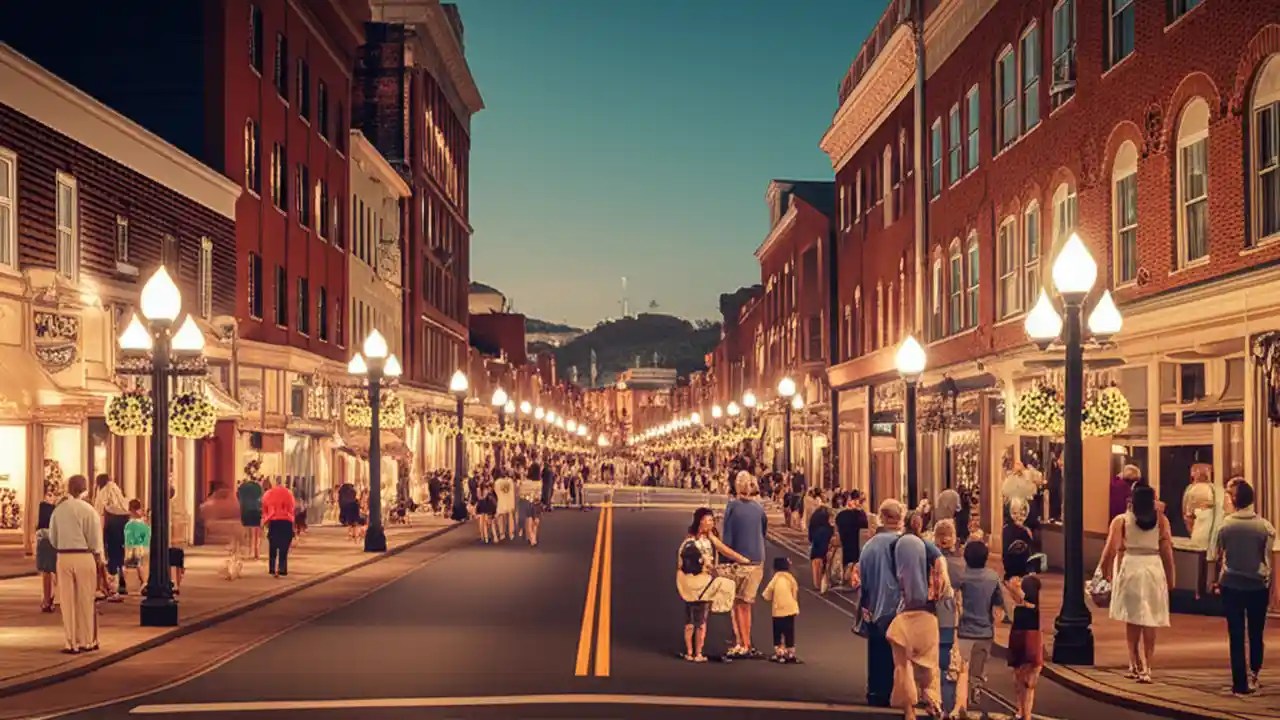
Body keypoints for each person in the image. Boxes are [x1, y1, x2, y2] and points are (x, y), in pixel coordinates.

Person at [1101, 482, 1173, 684]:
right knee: (1150, 619)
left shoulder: (1121, 521)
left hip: (1131, 566)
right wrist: (1171, 577)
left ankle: (1134, 663)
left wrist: (1104, 571)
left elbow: (1111, 549)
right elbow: (1167, 551)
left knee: (1132, 619)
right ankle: (1148, 667)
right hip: (1153, 568)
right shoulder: (1161, 520)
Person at [1214, 478, 1276, 696]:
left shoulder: (1225, 525)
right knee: (1256, 632)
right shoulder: (1264, 526)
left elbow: (1216, 555)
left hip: (1231, 584)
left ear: (1234, 499)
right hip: (1257, 585)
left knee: (1236, 633)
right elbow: (1267, 559)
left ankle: (1239, 682)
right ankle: (1255, 674)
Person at [887, 513, 943, 720]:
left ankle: (909, 711)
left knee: (903, 666)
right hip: (928, 614)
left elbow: (893, 577)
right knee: (929, 668)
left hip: (904, 615)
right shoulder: (926, 546)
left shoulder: (898, 544)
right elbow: (939, 560)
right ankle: (933, 700)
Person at [677, 507, 748, 662]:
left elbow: (681, 563)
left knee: (690, 618)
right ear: (701, 521)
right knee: (701, 618)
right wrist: (742, 561)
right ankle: (698, 653)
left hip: (688, 582)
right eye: (709, 520)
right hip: (704, 582)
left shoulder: (689, 540)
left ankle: (690, 652)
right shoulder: (707, 541)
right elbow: (723, 552)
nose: (712, 523)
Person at [855, 499, 905, 708]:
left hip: (875, 606)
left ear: (882, 518)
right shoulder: (907, 544)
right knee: (900, 654)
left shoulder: (870, 545)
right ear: (900, 519)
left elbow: (862, 577)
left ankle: (876, 691)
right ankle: (900, 691)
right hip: (902, 608)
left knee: (876, 650)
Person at [952, 539, 1007, 718]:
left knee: (961, 670)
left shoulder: (961, 577)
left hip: (964, 630)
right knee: (979, 669)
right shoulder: (992, 577)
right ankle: (976, 694)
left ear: (966, 557)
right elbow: (999, 604)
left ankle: (961, 703)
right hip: (985, 631)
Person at [48, 475, 102, 654]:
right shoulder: (88, 510)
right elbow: (95, 538)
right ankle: (87, 640)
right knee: (86, 599)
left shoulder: (59, 510)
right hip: (84, 556)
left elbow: (53, 537)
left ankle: (70, 642)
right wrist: (99, 558)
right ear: (84, 489)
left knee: (67, 601)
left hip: (63, 556)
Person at [721, 471, 767, 659]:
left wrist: (725, 560)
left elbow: (728, 536)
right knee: (747, 604)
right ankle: (746, 641)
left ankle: (742, 642)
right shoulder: (759, 508)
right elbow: (763, 531)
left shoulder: (732, 507)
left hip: (739, 559)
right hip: (757, 560)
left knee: (737, 604)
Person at [1005, 557, 1044, 720]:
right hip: (1030, 633)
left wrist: (1013, 590)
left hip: (1020, 630)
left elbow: (1026, 603)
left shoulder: (1022, 581)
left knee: (1020, 673)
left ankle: (1021, 711)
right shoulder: (1032, 580)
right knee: (1030, 675)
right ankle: (1024, 713)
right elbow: (1030, 604)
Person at [933, 519, 961, 714]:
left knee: (932, 663)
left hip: (931, 617)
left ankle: (933, 701)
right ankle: (948, 706)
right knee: (949, 664)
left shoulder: (929, 562)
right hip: (952, 619)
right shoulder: (961, 564)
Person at [93, 473, 129, 599]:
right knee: (119, 554)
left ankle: (112, 586)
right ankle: (121, 581)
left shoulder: (103, 492)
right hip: (122, 523)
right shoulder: (116, 490)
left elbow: (99, 512)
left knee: (110, 556)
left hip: (110, 524)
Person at [762, 555, 800, 664]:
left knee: (778, 631)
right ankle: (790, 652)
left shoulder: (776, 578)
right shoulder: (791, 578)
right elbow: (795, 591)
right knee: (789, 631)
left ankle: (779, 652)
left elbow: (767, 594)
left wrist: (769, 597)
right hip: (791, 609)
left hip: (778, 610)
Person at [261, 478, 296, 578]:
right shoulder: (289, 494)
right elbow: (292, 508)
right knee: (284, 547)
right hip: (286, 521)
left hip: (274, 521)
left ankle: (272, 568)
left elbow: (264, 508)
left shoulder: (268, 494)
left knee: (273, 546)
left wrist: (265, 521)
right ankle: (282, 568)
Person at [836, 491, 870, 587]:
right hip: (856, 540)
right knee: (854, 558)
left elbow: (837, 526)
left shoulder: (842, 514)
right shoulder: (860, 515)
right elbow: (865, 525)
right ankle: (852, 579)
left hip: (846, 539)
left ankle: (845, 578)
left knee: (846, 558)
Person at [35, 491, 59, 613]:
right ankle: (52, 599)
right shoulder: (56, 508)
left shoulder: (42, 506)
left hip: (45, 537)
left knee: (47, 571)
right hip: (55, 537)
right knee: (52, 571)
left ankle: (47, 600)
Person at [1002, 497, 1034, 581]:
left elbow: (1029, 550)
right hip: (1012, 568)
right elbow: (1005, 551)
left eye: (1022, 513)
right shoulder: (1007, 529)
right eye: (1015, 513)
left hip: (1022, 568)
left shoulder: (1026, 530)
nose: (1018, 516)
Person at [122, 499, 150, 593]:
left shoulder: (129, 525)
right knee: (143, 566)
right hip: (146, 547)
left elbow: (129, 540)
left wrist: (127, 552)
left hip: (136, 548)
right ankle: (145, 582)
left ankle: (122, 584)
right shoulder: (145, 524)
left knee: (128, 566)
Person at [808, 494, 834, 592]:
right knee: (823, 563)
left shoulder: (814, 519)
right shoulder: (828, 527)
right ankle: (823, 584)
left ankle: (816, 584)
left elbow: (810, 531)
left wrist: (811, 539)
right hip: (825, 543)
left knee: (815, 562)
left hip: (816, 542)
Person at [236, 475, 264, 561]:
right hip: (256, 510)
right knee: (257, 532)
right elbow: (261, 499)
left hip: (245, 511)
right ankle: (256, 552)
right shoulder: (258, 487)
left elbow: (238, 498)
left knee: (247, 532)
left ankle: (248, 551)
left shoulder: (242, 487)